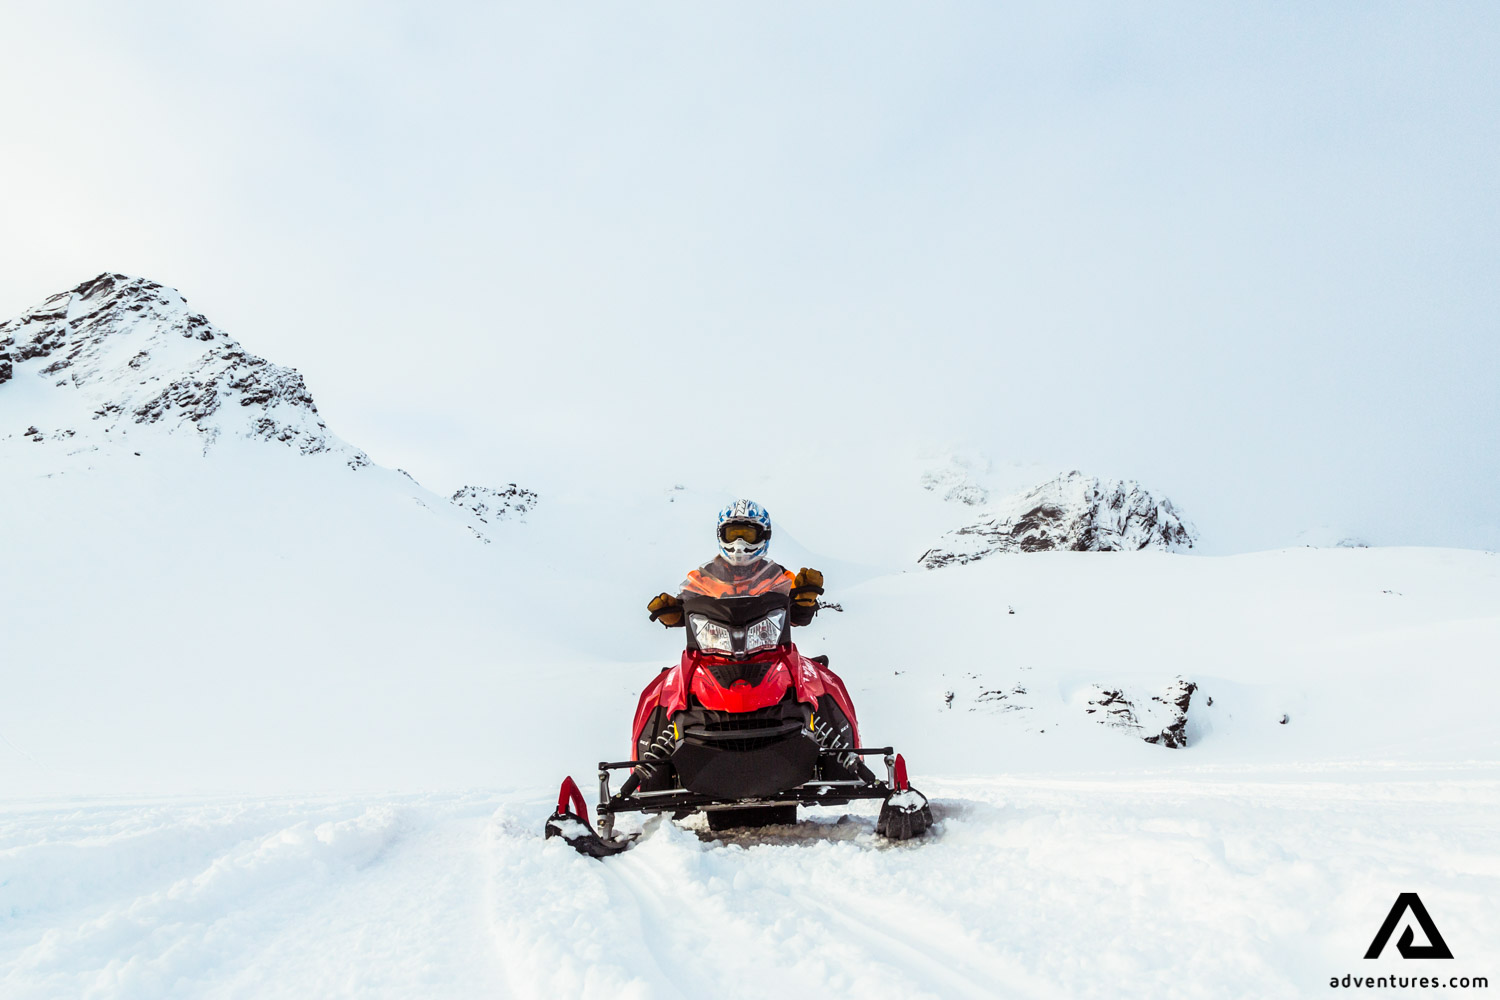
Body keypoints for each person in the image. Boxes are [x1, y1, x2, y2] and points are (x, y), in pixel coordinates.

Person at [647, 499, 823, 629]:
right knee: (678, 676)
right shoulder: (704, 577)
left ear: (764, 536)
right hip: (714, 651)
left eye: (748, 535)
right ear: (721, 535)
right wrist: (674, 612)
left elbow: (798, 618)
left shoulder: (777, 576)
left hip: (768, 648)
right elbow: (688, 607)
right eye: (733, 535)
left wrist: (804, 601)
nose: (739, 544)